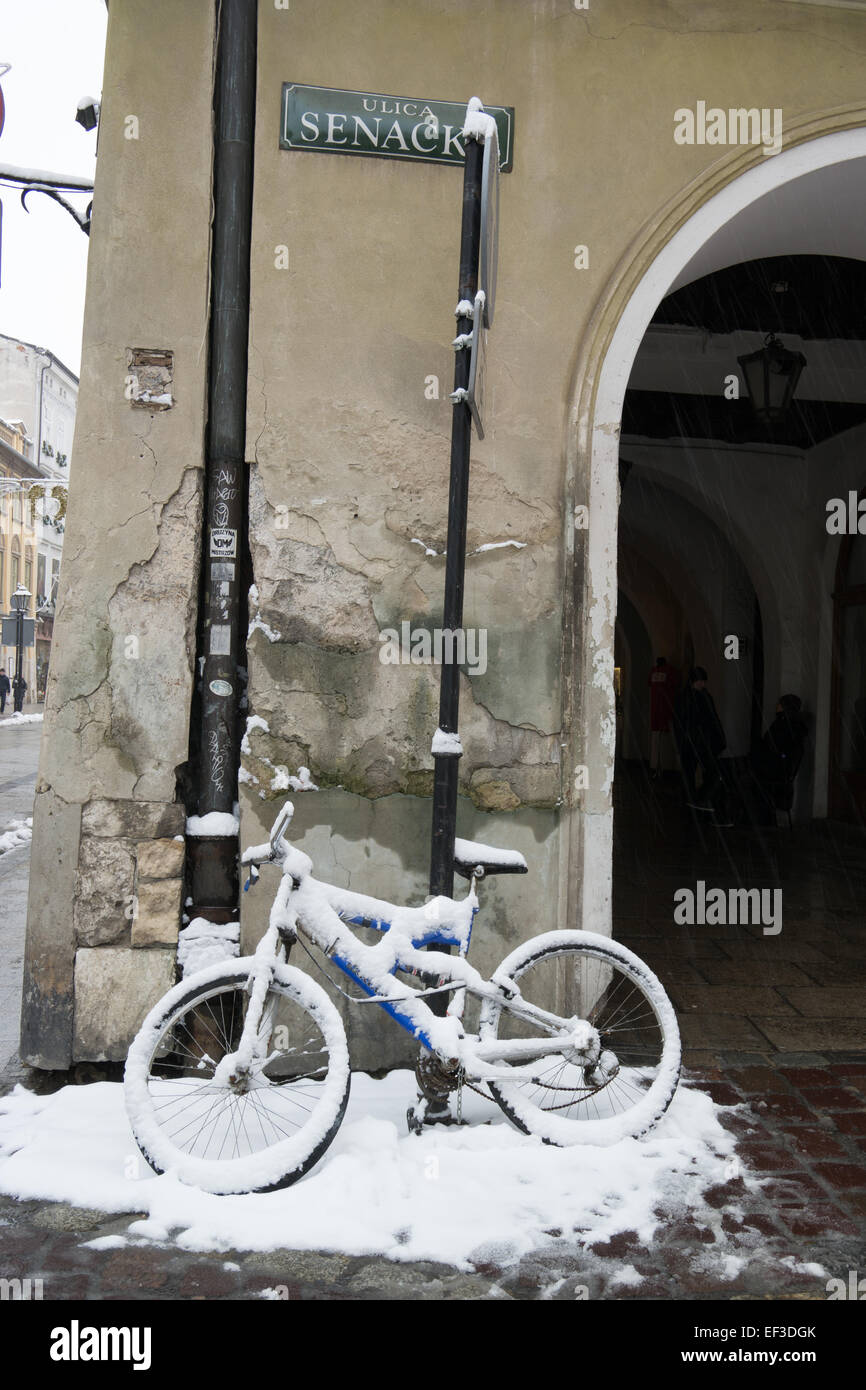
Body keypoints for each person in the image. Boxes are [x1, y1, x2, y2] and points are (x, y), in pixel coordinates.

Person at [673, 666, 731, 823]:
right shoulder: (698, 697)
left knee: (694, 772)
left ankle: (695, 801)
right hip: (699, 741)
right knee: (695, 772)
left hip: (698, 741)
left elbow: (682, 722)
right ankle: (696, 801)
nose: (703, 684)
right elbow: (709, 719)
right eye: (701, 681)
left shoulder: (689, 697)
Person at [749, 694, 808, 825]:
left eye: (779, 704)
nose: (777, 706)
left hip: (772, 769)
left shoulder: (783, 725)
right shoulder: (794, 726)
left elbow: (771, 746)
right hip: (777, 768)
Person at [648, 656, 680, 778]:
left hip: (657, 710)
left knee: (658, 741)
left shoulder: (654, 671)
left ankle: (658, 767)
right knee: (664, 741)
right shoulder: (670, 671)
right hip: (666, 710)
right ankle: (664, 768)